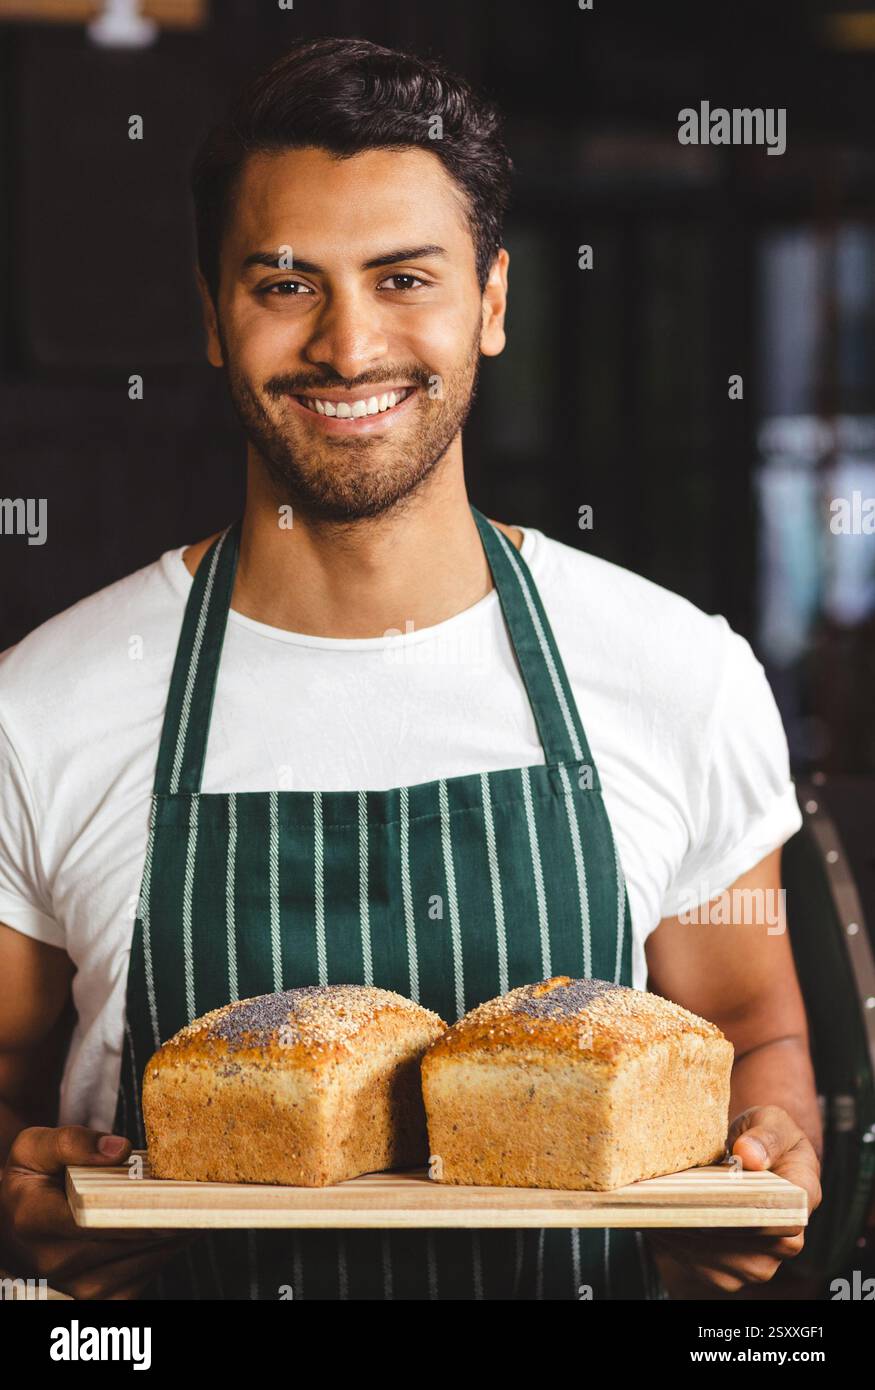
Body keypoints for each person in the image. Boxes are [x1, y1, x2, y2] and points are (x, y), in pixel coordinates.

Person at [0, 36, 820, 1300]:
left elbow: (754, 1028)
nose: (347, 344)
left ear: (491, 302)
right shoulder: (44, 704)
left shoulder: (676, 673)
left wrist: (769, 1161)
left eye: (402, 278)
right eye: (284, 284)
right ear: (211, 315)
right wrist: (19, 1202)